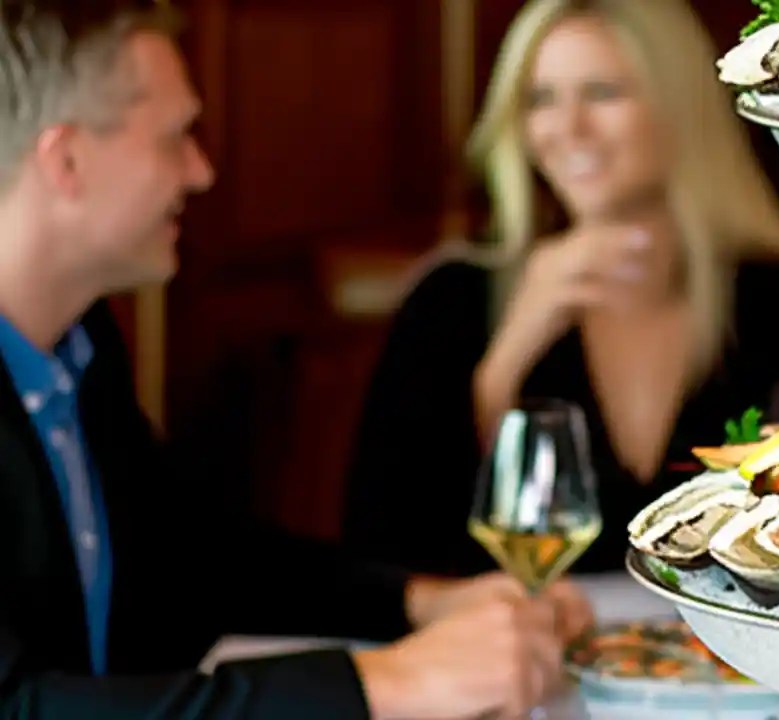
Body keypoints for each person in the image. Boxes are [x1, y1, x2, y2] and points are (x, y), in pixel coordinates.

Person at [0, 1, 589, 717]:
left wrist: (422, 603)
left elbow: (192, 560)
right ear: (66, 161)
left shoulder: (78, 343)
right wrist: (390, 683)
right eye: (177, 138)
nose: (201, 172)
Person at [342, 0, 779, 579]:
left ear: (681, 108)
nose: (568, 128)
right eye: (539, 99)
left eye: (602, 93)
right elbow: (385, 553)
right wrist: (508, 359)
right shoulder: (452, 302)